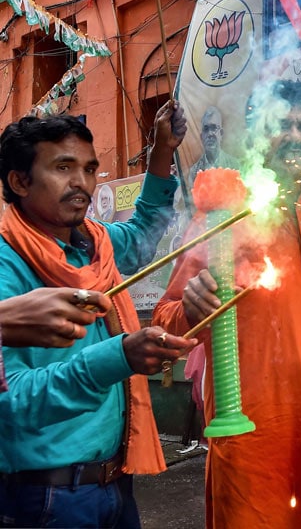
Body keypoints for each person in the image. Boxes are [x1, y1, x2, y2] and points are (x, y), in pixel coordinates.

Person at [152, 80, 301, 529]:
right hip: (255, 439)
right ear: (254, 136)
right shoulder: (225, 217)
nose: (295, 136)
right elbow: (165, 321)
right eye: (280, 124)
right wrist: (191, 310)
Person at [0, 103, 196, 528]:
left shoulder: (95, 241)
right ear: (19, 181)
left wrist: (162, 152)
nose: (82, 184)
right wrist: (118, 358)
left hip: (114, 481)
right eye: (63, 168)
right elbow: (9, 401)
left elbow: (144, 238)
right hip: (44, 497)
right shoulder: (6, 263)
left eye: (89, 169)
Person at [187, 106, 240, 189]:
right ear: (201, 137)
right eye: (206, 129)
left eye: (214, 128)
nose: (210, 134)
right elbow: (191, 200)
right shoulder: (194, 172)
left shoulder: (234, 165)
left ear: (221, 134)